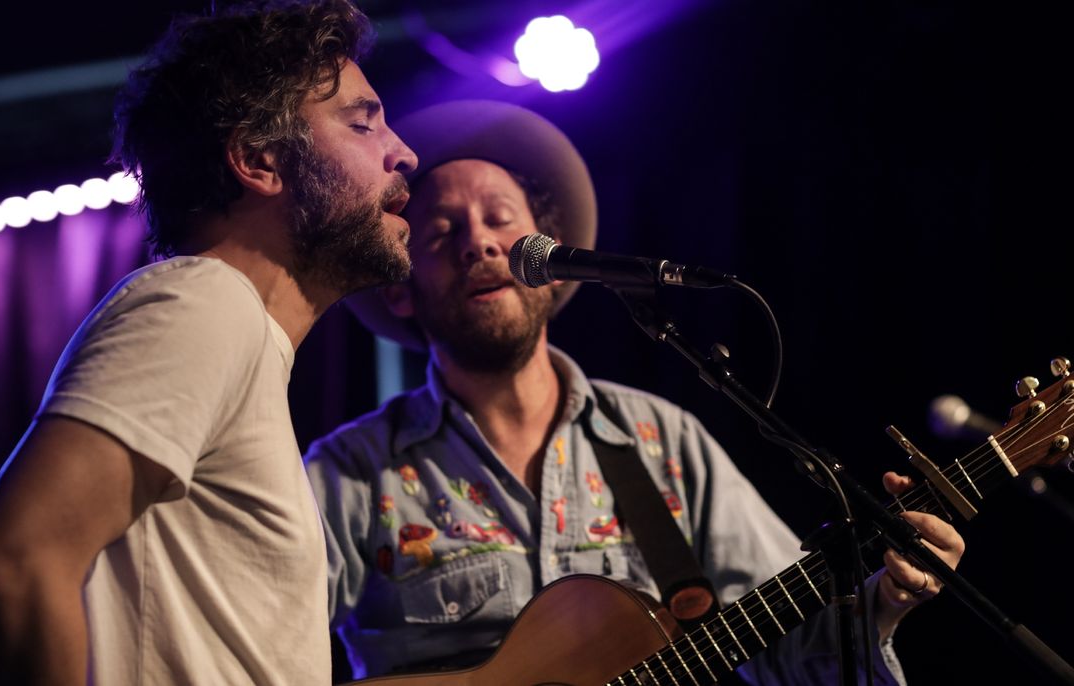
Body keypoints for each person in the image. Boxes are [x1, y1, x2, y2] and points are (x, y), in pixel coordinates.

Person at [303, 100, 964, 683]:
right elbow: (260, 646)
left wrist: (885, 601)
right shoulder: (353, 471)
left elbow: (791, 651)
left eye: (500, 220)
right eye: (443, 234)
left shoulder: (663, 441)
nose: (479, 243)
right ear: (398, 286)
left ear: (547, 257)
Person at [0, 1, 417, 684]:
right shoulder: (204, 301)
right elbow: (19, 557)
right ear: (258, 160)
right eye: (362, 122)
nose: (404, 151)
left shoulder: (238, 334)